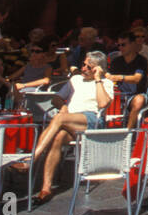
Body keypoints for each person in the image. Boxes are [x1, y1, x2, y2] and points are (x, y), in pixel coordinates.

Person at [24, 51, 113, 203]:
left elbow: (103, 104)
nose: (83, 68)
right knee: (58, 138)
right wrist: (63, 107)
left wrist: (98, 79)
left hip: (91, 120)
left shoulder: (106, 83)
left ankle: (31, 160)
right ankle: (46, 188)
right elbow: (57, 99)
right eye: (83, 64)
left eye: (89, 67)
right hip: (69, 119)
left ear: (98, 69)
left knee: (59, 119)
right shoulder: (76, 79)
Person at [109, 31, 148, 128]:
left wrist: (119, 77)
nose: (120, 48)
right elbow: (109, 80)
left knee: (139, 101)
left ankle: (127, 133)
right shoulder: (115, 62)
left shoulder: (141, 60)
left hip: (134, 95)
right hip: (117, 95)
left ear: (132, 44)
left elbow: (137, 78)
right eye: (118, 45)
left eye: (123, 45)